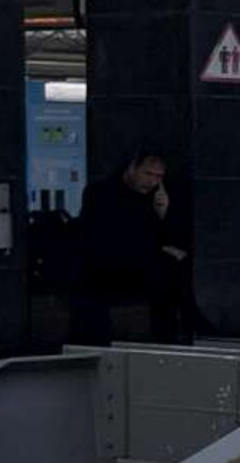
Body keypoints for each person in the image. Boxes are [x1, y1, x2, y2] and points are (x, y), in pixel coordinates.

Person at [70, 145, 194, 344]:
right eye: (147, 174)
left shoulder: (155, 197)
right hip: (105, 265)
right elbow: (109, 237)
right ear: (132, 168)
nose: (152, 181)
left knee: (173, 268)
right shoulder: (101, 193)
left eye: (158, 177)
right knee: (166, 268)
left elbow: (161, 236)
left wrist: (161, 214)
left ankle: (177, 330)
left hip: (139, 263)